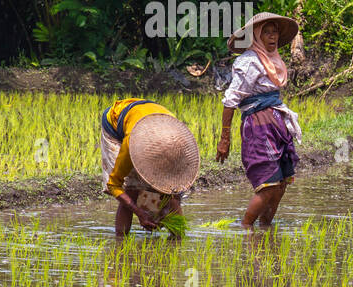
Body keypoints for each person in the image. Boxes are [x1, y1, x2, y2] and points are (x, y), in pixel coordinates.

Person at [216, 12, 303, 230]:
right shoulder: (249, 61)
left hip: (276, 123)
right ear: (256, 36)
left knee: (281, 185)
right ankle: (246, 229)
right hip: (259, 125)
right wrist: (224, 138)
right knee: (267, 186)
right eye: (267, 33)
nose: (273, 37)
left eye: (275, 32)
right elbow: (230, 101)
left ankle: (266, 228)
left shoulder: (273, 59)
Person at [100, 97, 200, 237]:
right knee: (131, 189)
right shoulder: (130, 144)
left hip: (155, 122)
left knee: (170, 192)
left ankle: (177, 239)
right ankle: (121, 242)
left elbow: (175, 191)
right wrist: (140, 213)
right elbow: (114, 185)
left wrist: (162, 207)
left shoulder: (177, 142)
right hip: (115, 126)